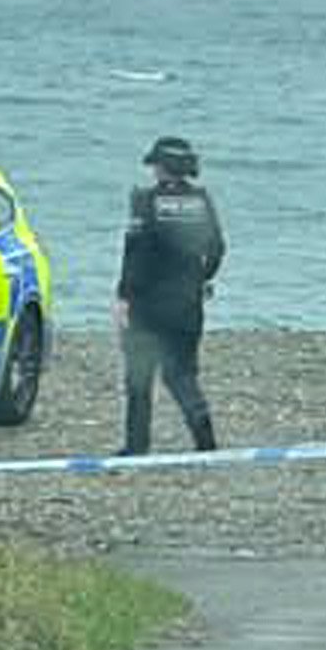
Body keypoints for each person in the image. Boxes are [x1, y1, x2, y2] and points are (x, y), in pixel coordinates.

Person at [113, 132, 225, 456]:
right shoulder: (202, 201)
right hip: (187, 304)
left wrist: (124, 296)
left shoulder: (146, 201)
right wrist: (201, 279)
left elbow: (134, 253)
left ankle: (137, 446)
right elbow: (217, 248)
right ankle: (202, 430)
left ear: (160, 168)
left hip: (148, 305)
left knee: (139, 376)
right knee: (182, 374)